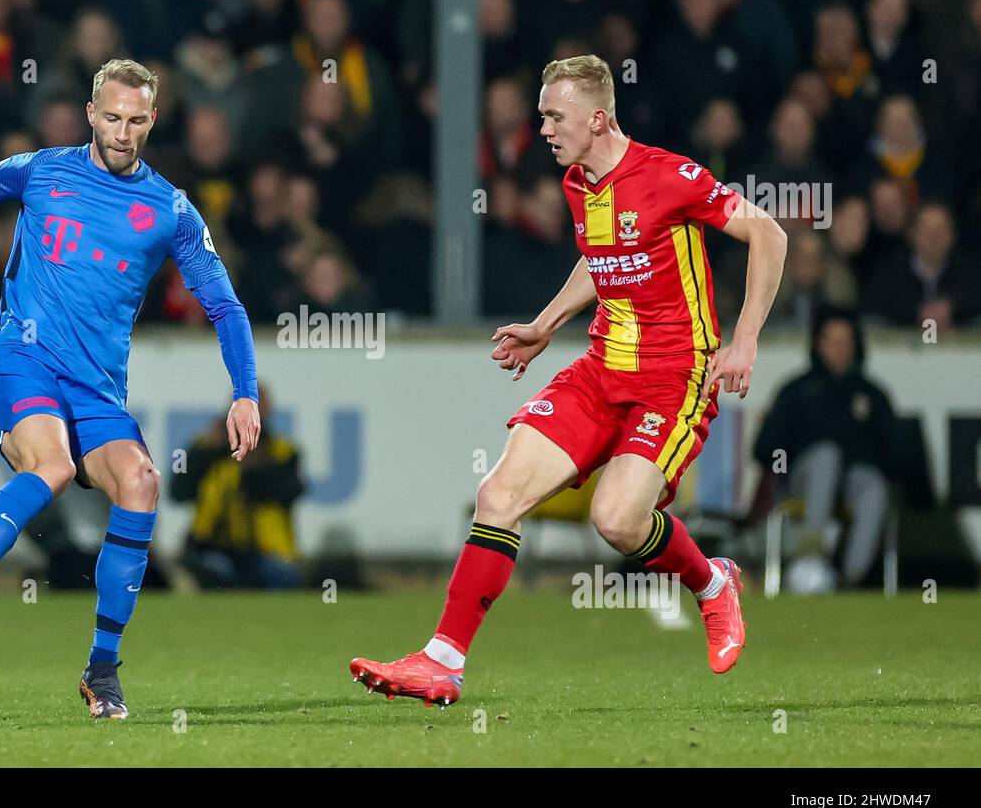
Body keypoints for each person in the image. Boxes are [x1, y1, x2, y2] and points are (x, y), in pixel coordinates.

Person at [351, 55, 788, 706]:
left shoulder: (670, 176)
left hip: (674, 377)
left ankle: (712, 583)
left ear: (598, 117)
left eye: (555, 116)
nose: (544, 129)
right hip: (601, 367)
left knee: (616, 520)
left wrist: (745, 337)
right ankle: (442, 662)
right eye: (542, 116)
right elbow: (600, 258)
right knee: (498, 494)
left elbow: (768, 233)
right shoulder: (580, 183)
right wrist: (546, 323)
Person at [0, 58, 261, 720]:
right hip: (18, 363)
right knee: (50, 465)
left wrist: (245, 391)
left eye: (136, 121)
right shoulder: (41, 171)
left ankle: (102, 670)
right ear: (91, 113)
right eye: (111, 117)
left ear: (152, 120)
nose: (122, 132)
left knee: (140, 482)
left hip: (94, 390)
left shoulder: (169, 209)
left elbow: (225, 307)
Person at [752, 307, 898, 588]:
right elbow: (763, 449)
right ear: (818, 344)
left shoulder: (872, 394)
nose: (839, 349)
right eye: (832, 341)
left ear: (856, 346)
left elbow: (893, 453)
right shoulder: (796, 391)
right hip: (803, 481)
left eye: (846, 341)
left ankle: (850, 578)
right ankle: (811, 558)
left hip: (853, 481)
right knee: (826, 457)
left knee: (874, 485)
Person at [174, 386, 305, 589]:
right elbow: (178, 492)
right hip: (212, 545)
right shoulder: (205, 448)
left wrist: (254, 471)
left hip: (267, 549)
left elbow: (291, 492)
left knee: (280, 575)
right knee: (215, 571)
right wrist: (205, 454)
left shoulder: (282, 451)